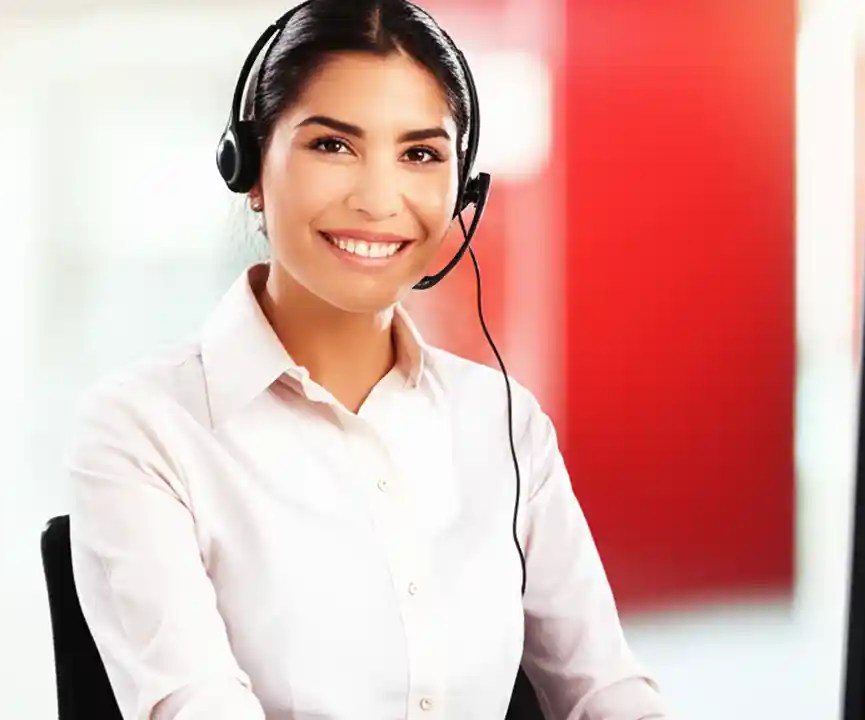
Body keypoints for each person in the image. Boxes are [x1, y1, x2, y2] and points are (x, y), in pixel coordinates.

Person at [65, 1, 667, 718]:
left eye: (420, 154)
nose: (380, 199)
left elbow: (603, 686)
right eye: (333, 146)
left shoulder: (503, 422)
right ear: (250, 167)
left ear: (462, 189)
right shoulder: (144, 430)